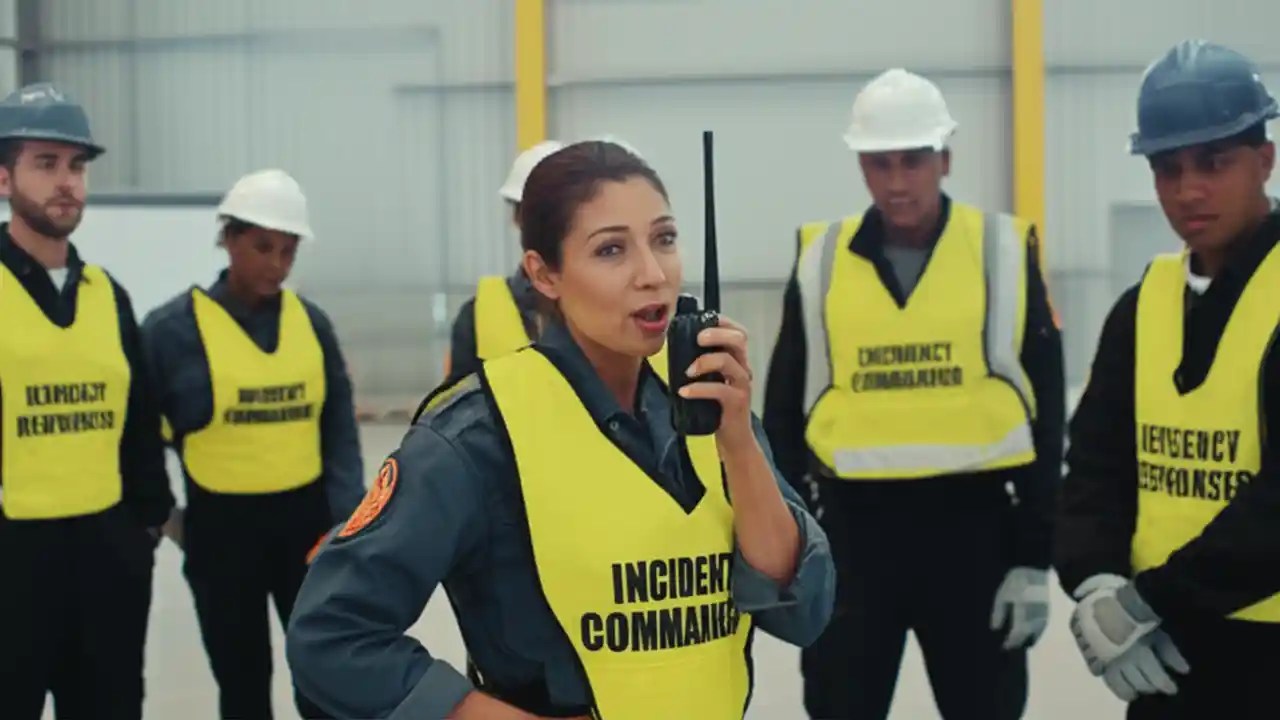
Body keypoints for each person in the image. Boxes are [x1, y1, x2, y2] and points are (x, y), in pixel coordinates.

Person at [285, 140, 836, 719]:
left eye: (664, 239)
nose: (652, 274)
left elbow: (801, 613)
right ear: (544, 274)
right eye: (611, 250)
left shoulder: (709, 402)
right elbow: (331, 637)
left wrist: (739, 443)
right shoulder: (475, 438)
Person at [762, 67, 1065, 720]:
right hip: (851, 541)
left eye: (913, 160)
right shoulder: (821, 260)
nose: (897, 182)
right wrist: (799, 538)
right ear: (861, 166)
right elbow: (783, 411)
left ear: (945, 158)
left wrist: (1035, 561)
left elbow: (1048, 418)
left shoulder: (1001, 250)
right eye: (880, 163)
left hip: (978, 536)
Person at [1057, 39, 1280, 719]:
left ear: (1265, 159)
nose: (1188, 190)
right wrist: (1095, 583)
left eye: (1214, 162)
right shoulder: (1144, 305)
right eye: (1167, 167)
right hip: (1163, 652)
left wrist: (1145, 601)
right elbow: (1095, 462)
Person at [140, 168, 365, 719]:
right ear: (229, 238)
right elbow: (142, 438)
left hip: (308, 528)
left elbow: (338, 429)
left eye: (288, 251)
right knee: (241, 680)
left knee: (323, 677)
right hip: (223, 532)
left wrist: (348, 524)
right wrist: (169, 519)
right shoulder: (171, 331)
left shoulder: (311, 324)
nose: (277, 264)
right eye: (263, 247)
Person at [0, 82, 174, 719]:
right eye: (44, 164)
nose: (66, 181)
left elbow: (139, 422)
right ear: (3, 177)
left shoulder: (108, 294)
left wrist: (145, 526)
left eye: (75, 166)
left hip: (106, 562)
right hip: (12, 564)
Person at [444, 139, 564, 381]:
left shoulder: (612, 305)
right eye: (538, 214)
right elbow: (455, 407)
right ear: (517, 219)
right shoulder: (478, 316)